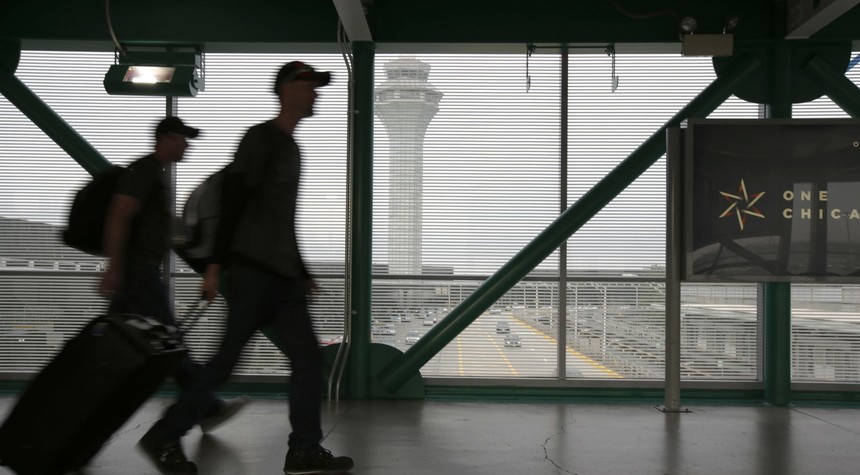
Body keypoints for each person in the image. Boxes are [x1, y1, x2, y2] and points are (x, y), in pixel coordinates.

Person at [139, 62, 354, 475]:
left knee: (308, 360)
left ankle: (303, 449)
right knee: (225, 362)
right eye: (310, 84)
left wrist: (301, 269)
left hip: (283, 278)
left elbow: (281, 219)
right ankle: (166, 434)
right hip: (251, 274)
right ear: (287, 88)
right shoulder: (261, 138)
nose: (316, 92)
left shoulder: (292, 148)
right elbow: (235, 200)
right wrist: (216, 265)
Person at [101, 117, 248, 473]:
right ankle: (207, 406)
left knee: (136, 349)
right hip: (137, 275)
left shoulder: (157, 175)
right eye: (183, 139)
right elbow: (119, 216)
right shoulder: (145, 172)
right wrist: (115, 266)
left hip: (139, 273)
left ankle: (81, 411)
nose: (188, 146)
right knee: (170, 344)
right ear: (164, 138)